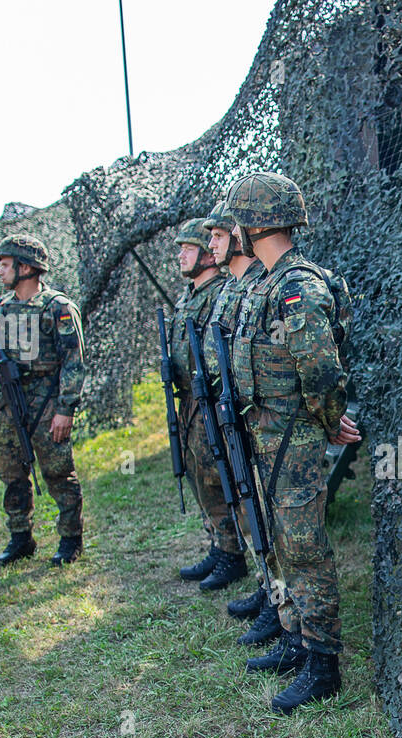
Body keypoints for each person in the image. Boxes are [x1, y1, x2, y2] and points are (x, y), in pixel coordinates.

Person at [224, 172, 361, 714]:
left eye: (239, 218)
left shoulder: (295, 286)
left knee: (304, 548)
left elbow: (321, 370)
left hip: (296, 438)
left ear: (254, 222)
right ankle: (294, 637)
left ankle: (323, 664)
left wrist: (329, 421)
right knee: (282, 543)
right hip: (267, 433)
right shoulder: (265, 281)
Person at [0, 234, 86, 567]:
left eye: (5, 264)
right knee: (11, 474)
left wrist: (65, 409)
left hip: (46, 406)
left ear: (25, 268)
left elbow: (74, 360)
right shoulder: (1, 306)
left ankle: (70, 540)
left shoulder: (58, 307)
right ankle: (20, 539)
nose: (0, 271)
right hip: (8, 405)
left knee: (58, 474)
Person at [202, 201, 279, 642]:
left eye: (217, 235)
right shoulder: (235, 285)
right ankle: (266, 586)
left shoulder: (258, 284)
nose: (211, 243)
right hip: (233, 410)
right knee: (248, 505)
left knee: (262, 510)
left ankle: (278, 598)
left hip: (256, 415)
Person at [169, 215, 246, 590]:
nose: (181, 255)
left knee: (217, 475)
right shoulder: (191, 295)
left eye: (188, 248)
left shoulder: (221, 291)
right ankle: (219, 543)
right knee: (198, 473)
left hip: (210, 401)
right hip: (188, 400)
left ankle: (232, 552)